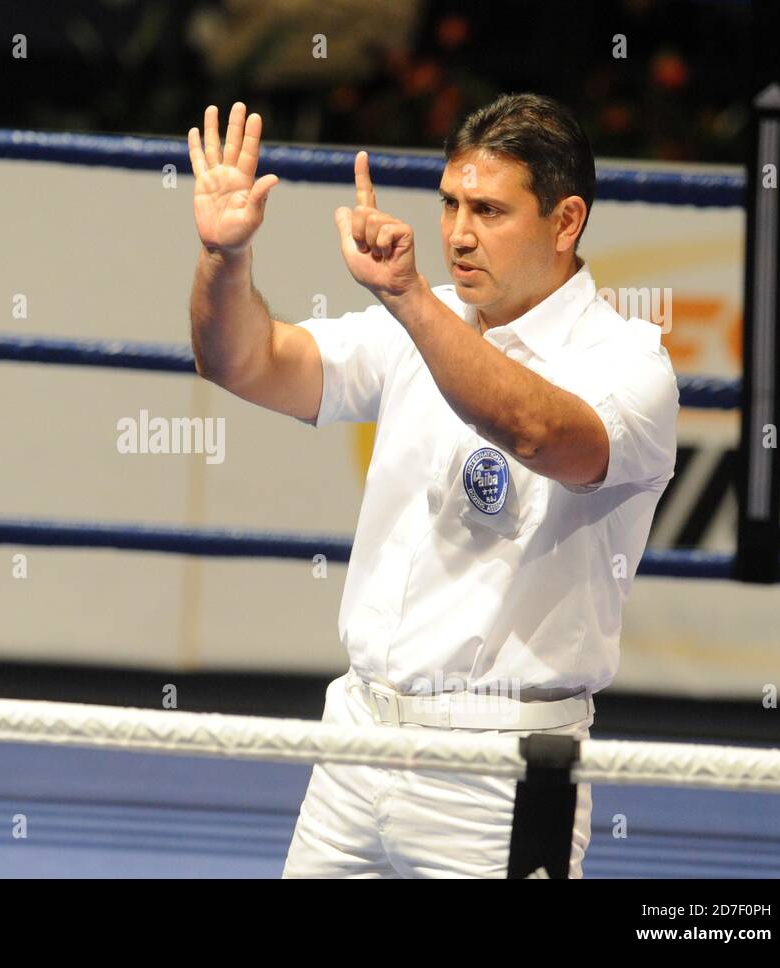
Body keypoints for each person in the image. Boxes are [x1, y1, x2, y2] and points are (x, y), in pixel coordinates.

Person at [187, 94, 679, 878]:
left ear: (565, 221)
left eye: (488, 209)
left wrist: (410, 299)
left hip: (499, 773)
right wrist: (225, 259)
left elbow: (538, 432)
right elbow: (241, 362)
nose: (457, 232)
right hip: (354, 742)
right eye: (450, 202)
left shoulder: (630, 366)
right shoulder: (418, 322)